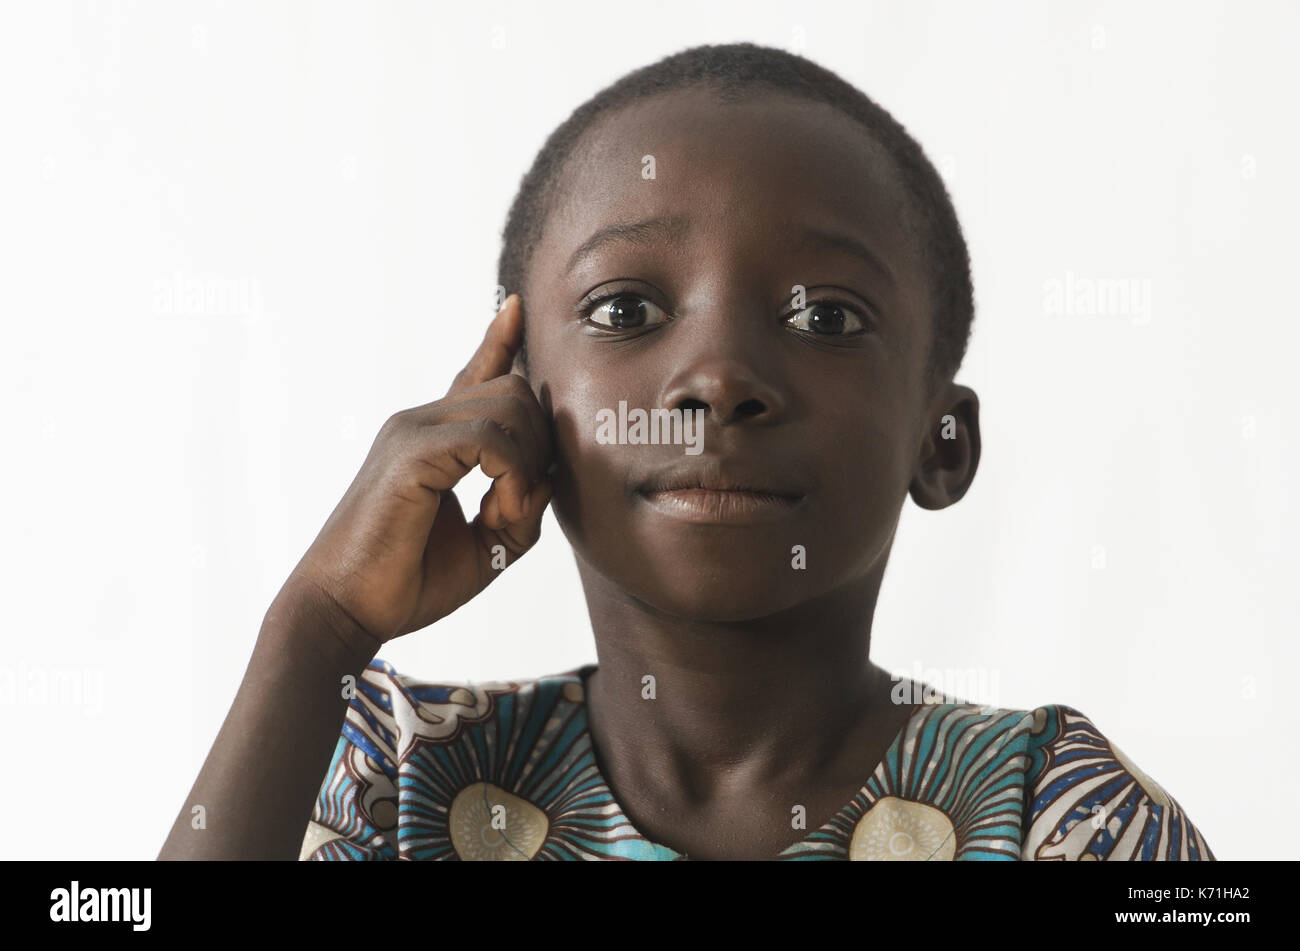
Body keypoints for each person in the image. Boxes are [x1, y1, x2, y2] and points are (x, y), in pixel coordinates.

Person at [160, 42, 1215, 862]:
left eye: (829, 319)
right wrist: (316, 629)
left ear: (940, 443)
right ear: (511, 412)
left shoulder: (1060, 811)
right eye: (626, 307)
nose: (717, 378)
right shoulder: (395, 784)